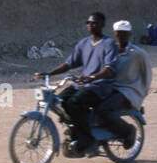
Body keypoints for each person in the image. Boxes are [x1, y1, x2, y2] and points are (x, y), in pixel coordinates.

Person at [34, 11, 119, 154]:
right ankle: (75, 130)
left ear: (102, 25)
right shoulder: (84, 43)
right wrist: (49, 73)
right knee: (60, 101)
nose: (90, 25)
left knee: (74, 103)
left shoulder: (109, 44)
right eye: (88, 23)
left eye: (94, 23)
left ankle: (88, 139)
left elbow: (109, 69)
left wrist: (92, 77)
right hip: (83, 83)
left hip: (100, 86)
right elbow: (69, 64)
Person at [94, 21, 152, 149]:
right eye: (119, 33)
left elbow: (147, 77)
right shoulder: (109, 50)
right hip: (110, 88)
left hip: (128, 91)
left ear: (130, 34)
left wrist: (139, 98)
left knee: (104, 109)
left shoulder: (138, 54)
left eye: (125, 33)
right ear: (114, 34)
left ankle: (128, 131)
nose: (122, 36)